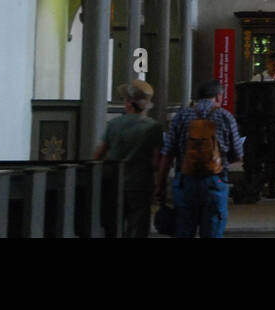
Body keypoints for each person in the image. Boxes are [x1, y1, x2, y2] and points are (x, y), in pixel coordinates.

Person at [156, 79, 243, 238]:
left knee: (184, 229)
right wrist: (220, 161)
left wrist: (160, 184)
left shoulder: (181, 116)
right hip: (215, 181)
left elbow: (167, 153)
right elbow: (238, 153)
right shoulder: (225, 116)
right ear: (218, 96)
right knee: (213, 230)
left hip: (185, 181)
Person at [93, 80, 162, 238]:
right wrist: (159, 185)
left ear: (128, 103)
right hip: (141, 185)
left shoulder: (114, 125)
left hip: (114, 183)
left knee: (114, 227)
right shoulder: (154, 127)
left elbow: (98, 155)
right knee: (138, 228)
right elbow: (156, 161)